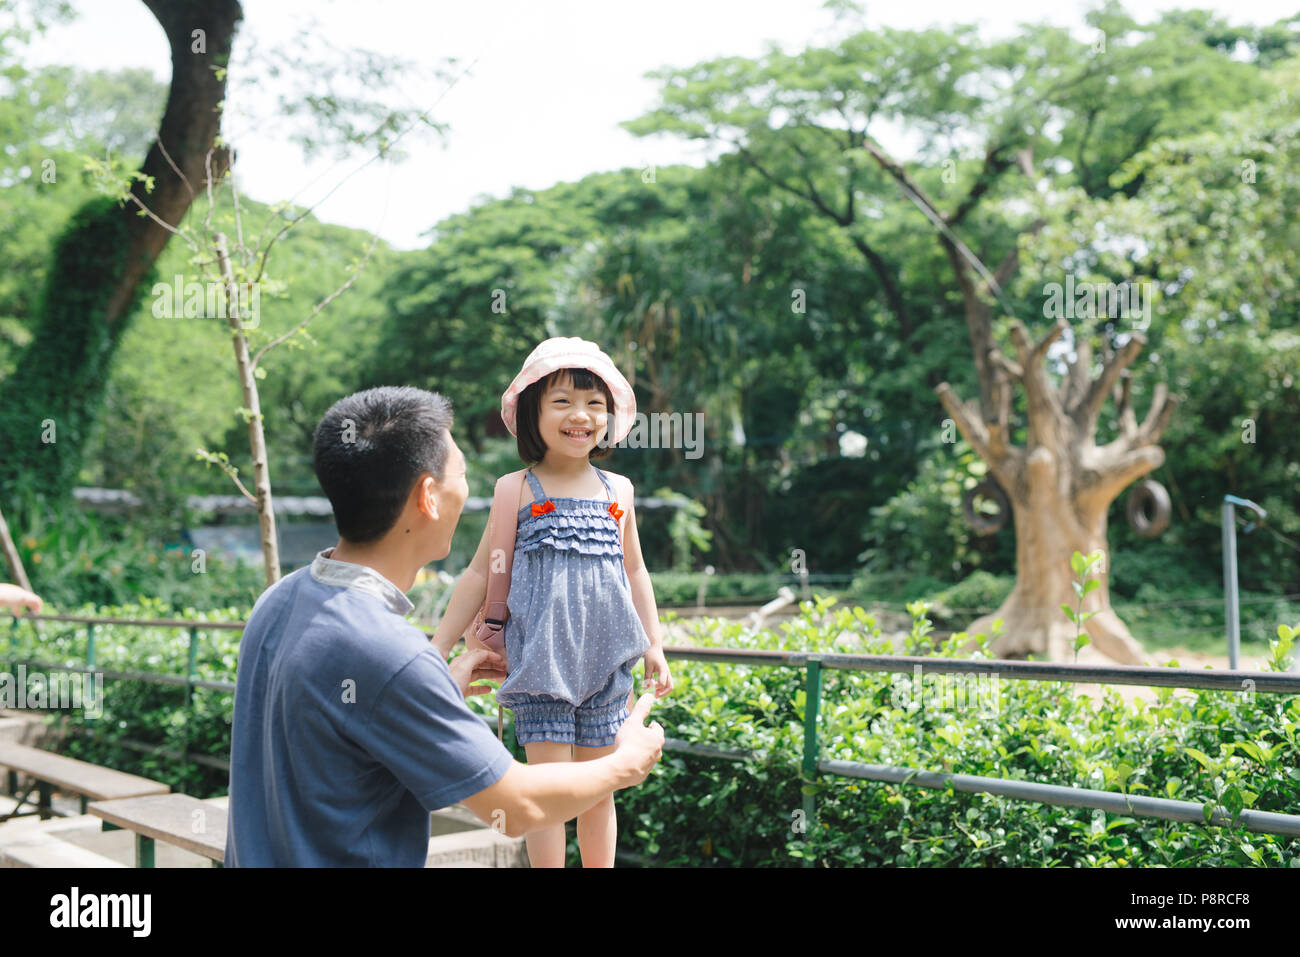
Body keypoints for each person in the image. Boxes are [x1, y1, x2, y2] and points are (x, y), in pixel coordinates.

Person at [224, 385, 663, 867]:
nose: (471, 488)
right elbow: (517, 808)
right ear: (429, 497)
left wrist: (437, 681)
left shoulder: (277, 603)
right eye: (462, 473)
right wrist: (627, 762)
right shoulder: (391, 655)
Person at [433, 338, 673, 868]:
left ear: (609, 417)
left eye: (594, 403)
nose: (581, 415)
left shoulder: (620, 491)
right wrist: (438, 647)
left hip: (608, 663)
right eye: (562, 401)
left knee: (597, 792)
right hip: (540, 662)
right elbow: (479, 572)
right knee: (547, 794)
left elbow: (635, 570)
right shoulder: (515, 489)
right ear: (532, 414)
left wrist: (654, 644)